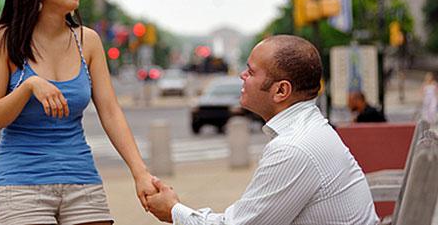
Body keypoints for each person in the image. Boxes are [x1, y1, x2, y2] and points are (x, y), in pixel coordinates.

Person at [0, 0, 156, 225]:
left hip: (81, 179)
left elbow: (110, 111)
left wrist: (140, 173)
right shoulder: (2, 40)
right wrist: (28, 87)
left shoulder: (89, 41)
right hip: (21, 185)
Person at [146, 35, 379, 225]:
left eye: (251, 71)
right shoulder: (311, 128)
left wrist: (173, 211)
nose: (242, 76)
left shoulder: (293, 148)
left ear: (281, 91)